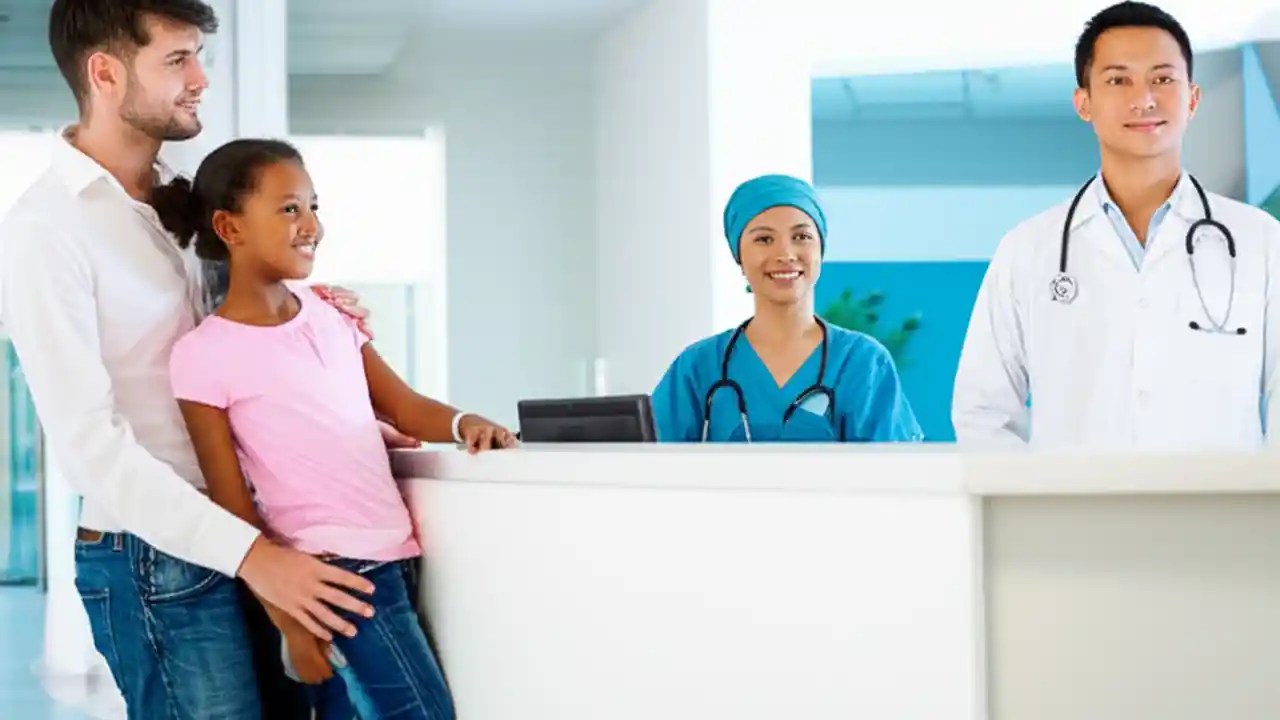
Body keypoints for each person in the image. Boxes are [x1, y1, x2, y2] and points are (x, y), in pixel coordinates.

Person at [0, 1, 433, 717]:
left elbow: (232, 365)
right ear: (104, 73)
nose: (201, 78)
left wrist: (322, 371)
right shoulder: (45, 230)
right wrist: (256, 557)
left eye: (200, 55)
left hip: (255, 529)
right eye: (177, 59)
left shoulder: (192, 198)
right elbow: (89, 447)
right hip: (157, 556)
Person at [157, 137, 514, 718]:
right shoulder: (202, 355)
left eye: (314, 207)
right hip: (334, 576)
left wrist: (462, 421)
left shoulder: (330, 317)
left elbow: (401, 406)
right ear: (230, 226)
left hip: (395, 558)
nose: (312, 225)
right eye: (289, 207)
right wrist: (289, 621)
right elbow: (232, 509)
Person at [952, 1, 1280, 450]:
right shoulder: (1028, 249)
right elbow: (983, 412)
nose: (1144, 98)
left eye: (1163, 79)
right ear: (1083, 102)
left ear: (1193, 99)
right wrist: (1037, 513)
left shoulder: (1259, 240)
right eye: (1118, 79)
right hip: (1075, 515)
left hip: (1222, 515)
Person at [651, 174, 924, 442]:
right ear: (739, 256)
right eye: (764, 239)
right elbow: (648, 468)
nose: (785, 254)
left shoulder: (862, 362)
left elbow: (892, 475)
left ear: (821, 250)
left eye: (802, 236)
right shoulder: (699, 367)